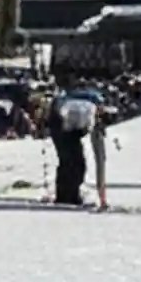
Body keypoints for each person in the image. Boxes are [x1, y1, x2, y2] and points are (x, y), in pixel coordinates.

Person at [47, 74, 105, 205]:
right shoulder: (87, 100)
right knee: (71, 161)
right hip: (62, 125)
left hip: (66, 127)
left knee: (73, 161)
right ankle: (66, 196)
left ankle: (69, 194)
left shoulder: (84, 99)